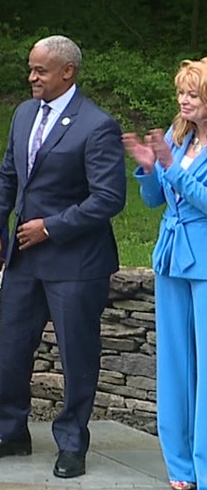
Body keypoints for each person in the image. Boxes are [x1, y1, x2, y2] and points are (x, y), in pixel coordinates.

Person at [0, 35, 126, 480]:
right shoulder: (23, 114)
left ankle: (72, 442)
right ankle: (10, 432)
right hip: (24, 259)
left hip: (76, 263)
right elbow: (9, 176)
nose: (31, 77)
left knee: (77, 354)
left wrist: (51, 226)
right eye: (31, 69)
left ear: (67, 72)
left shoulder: (97, 125)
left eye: (40, 70)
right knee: (13, 348)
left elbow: (109, 199)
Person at [123, 58, 207, 490]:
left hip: (206, 261)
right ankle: (181, 468)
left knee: (206, 368)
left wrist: (171, 167)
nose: (184, 100)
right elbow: (158, 200)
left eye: (193, 93)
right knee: (174, 364)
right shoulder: (179, 137)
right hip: (173, 257)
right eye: (181, 93)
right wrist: (150, 167)